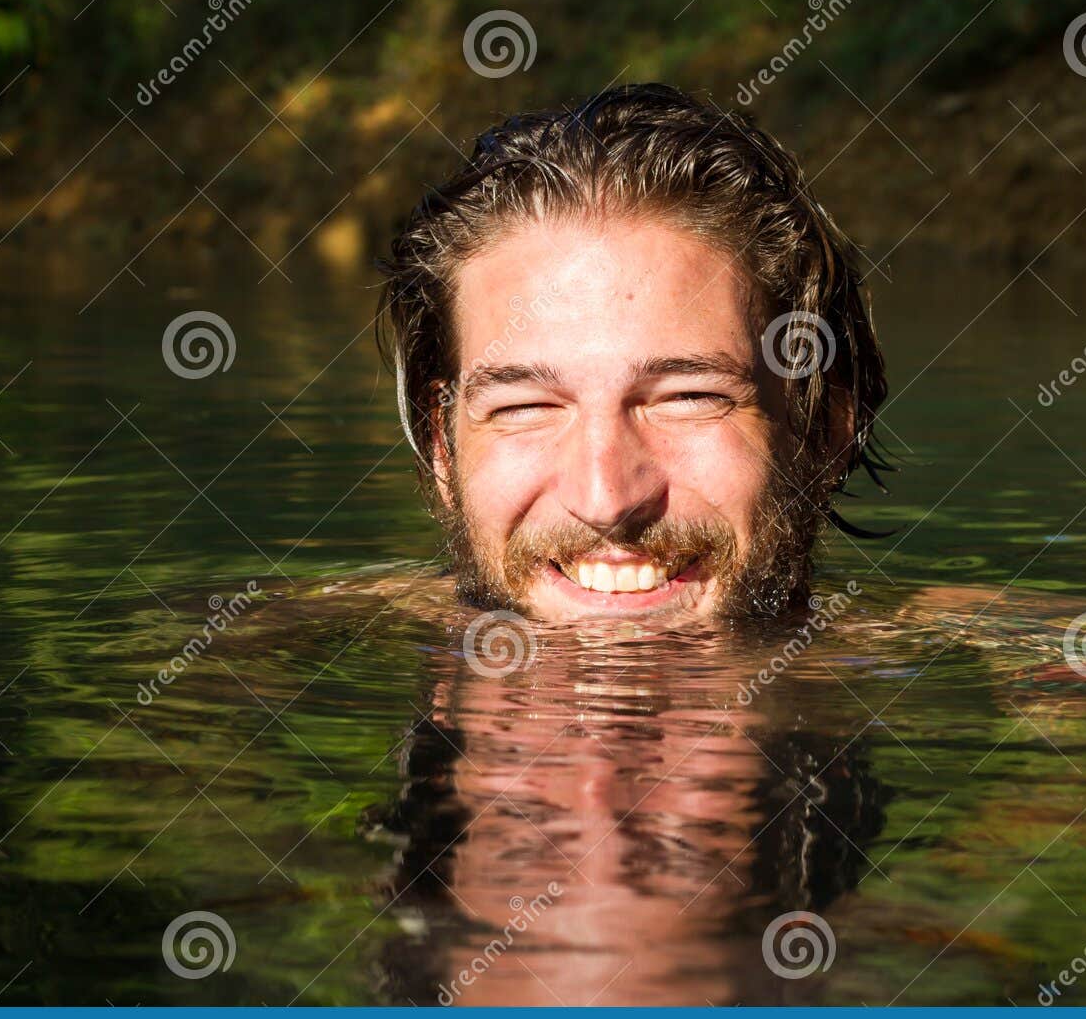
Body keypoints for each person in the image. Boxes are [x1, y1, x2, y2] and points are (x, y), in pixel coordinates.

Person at [373, 82, 889, 624]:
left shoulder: (967, 660)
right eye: (524, 407)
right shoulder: (297, 653)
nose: (606, 501)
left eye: (689, 397)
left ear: (825, 430)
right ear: (442, 451)